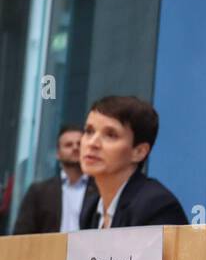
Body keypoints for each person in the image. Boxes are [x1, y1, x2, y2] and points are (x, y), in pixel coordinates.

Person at [79, 96, 187, 228]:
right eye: (89, 131)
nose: (92, 143)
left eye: (111, 135)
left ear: (139, 152)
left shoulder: (156, 206)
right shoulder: (91, 207)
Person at [12, 124, 95, 234]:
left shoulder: (100, 190)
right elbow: (21, 235)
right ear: (58, 154)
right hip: (48, 250)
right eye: (68, 145)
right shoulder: (39, 192)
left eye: (79, 144)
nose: (75, 148)